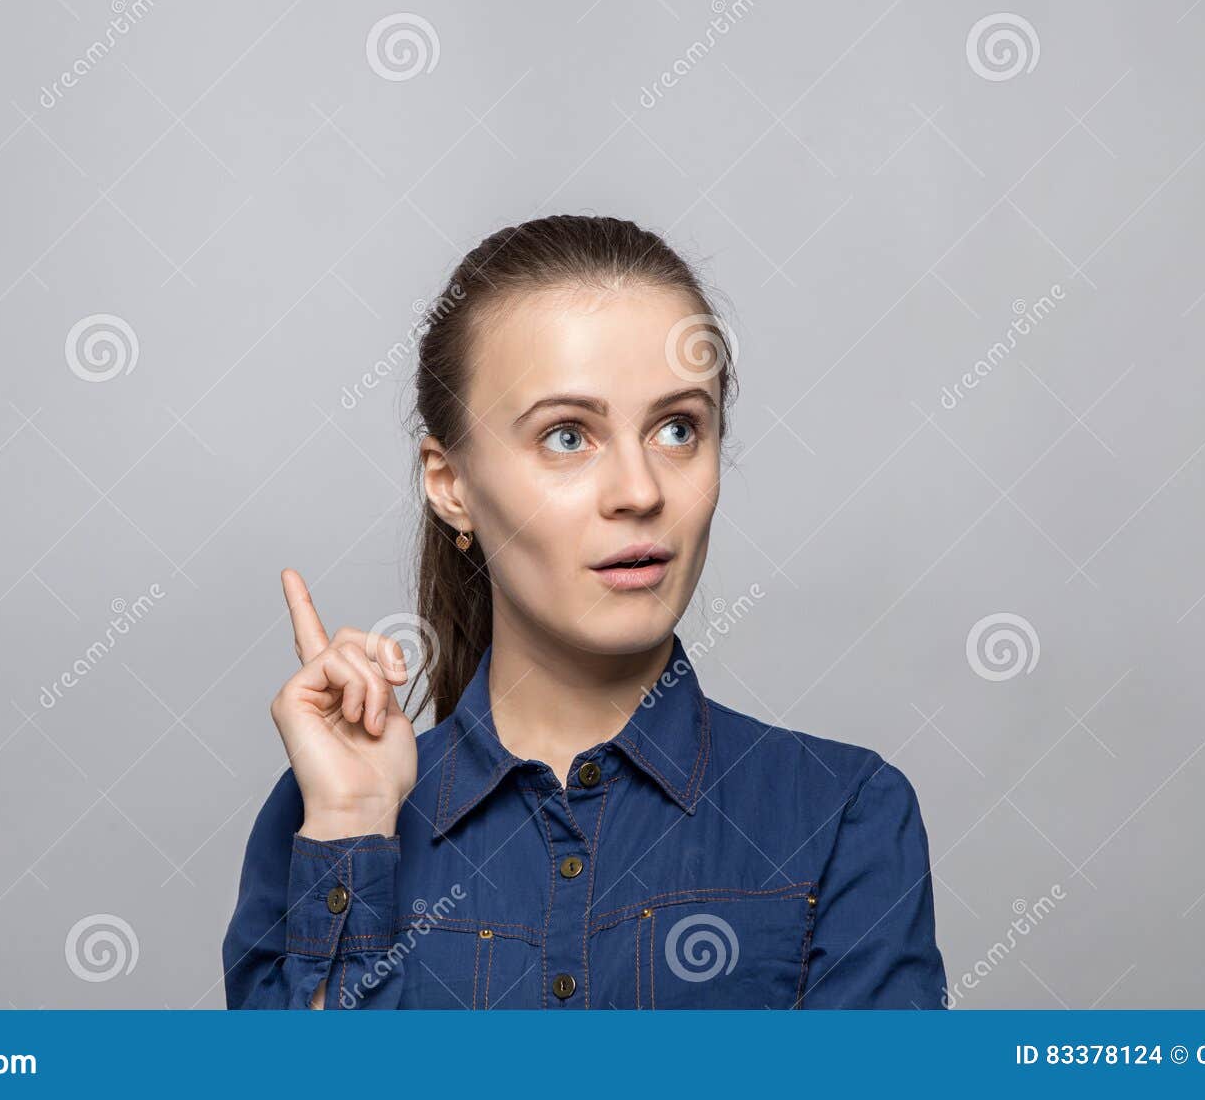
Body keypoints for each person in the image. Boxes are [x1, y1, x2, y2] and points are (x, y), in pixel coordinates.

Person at [222, 214, 947, 1009]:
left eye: (678, 428)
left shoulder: (842, 816)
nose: (639, 492)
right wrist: (356, 821)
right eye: (567, 436)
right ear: (449, 483)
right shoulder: (322, 817)